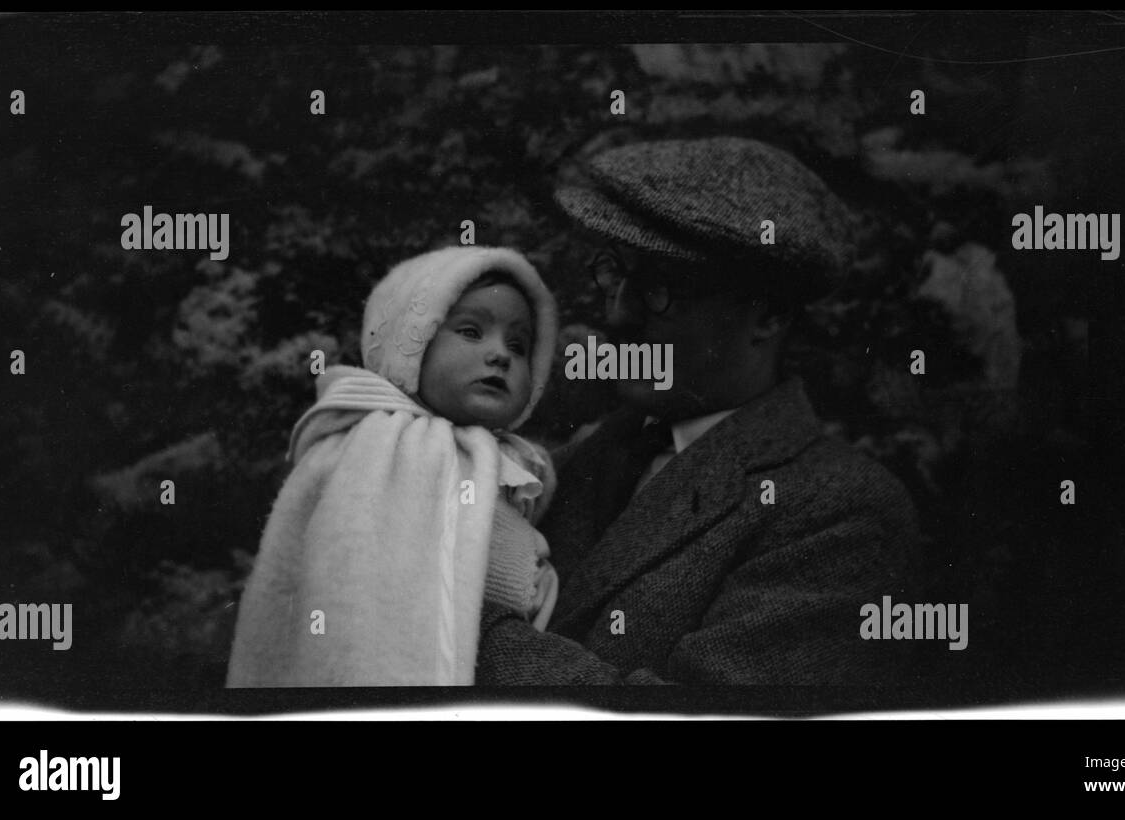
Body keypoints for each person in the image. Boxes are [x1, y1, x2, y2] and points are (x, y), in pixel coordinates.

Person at [475, 137, 923, 687]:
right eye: (617, 275)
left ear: (769, 315)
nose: (617, 314)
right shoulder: (578, 459)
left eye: (662, 289)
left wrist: (463, 623)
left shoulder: (843, 511)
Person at [228, 245, 559, 686]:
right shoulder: (381, 445)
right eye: (471, 332)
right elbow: (365, 561)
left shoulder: (510, 458)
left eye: (518, 346)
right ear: (413, 341)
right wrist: (525, 581)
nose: (500, 354)